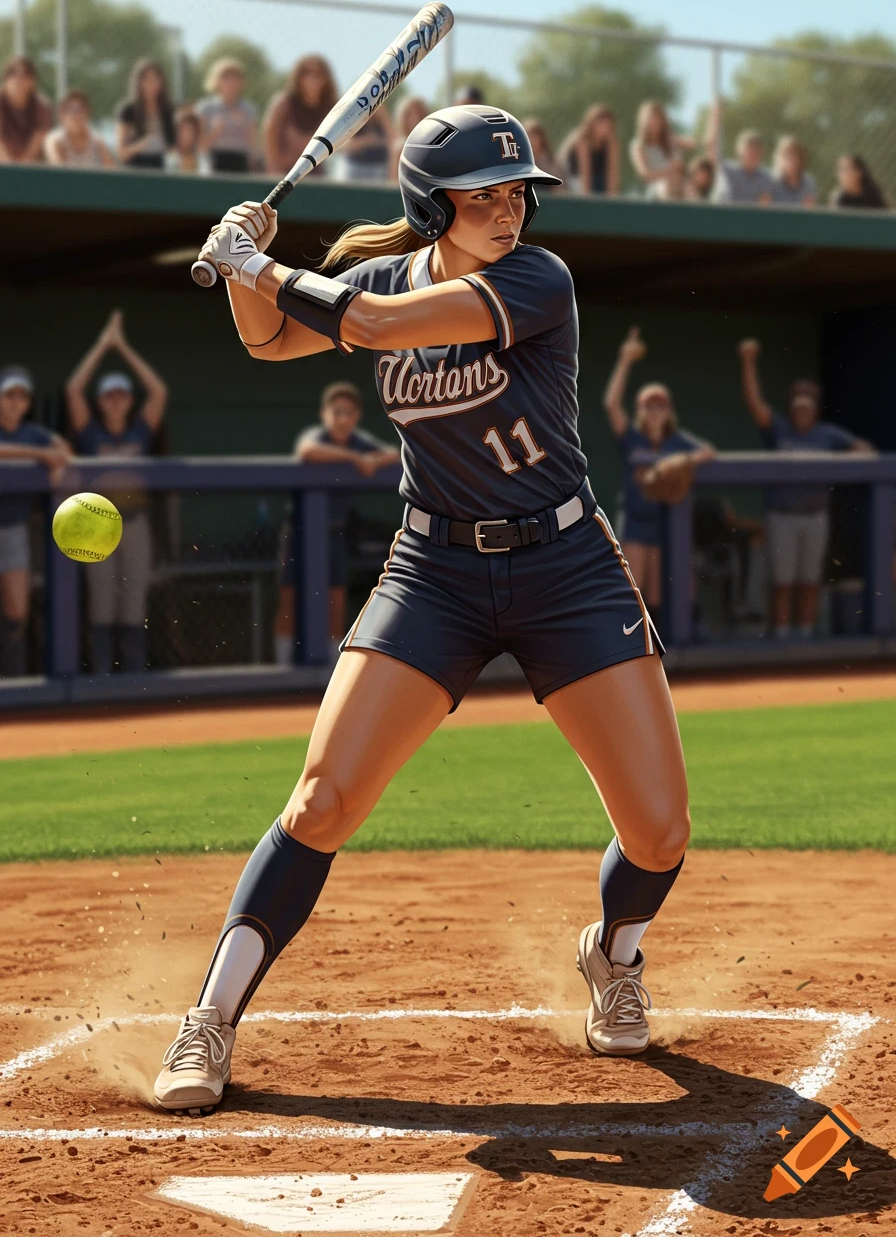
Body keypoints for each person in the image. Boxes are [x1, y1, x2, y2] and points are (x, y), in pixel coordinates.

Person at [153, 105, 692, 1114]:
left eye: (515, 190)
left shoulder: (536, 280)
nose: (505, 208)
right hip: (431, 573)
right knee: (320, 799)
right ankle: (209, 1021)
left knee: (659, 830)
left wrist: (261, 268)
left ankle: (611, 954)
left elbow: (372, 330)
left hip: (566, 566)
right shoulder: (376, 273)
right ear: (427, 202)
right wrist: (240, 270)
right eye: (480, 194)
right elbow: (271, 343)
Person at [737, 338, 873, 639]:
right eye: (797, 405)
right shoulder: (780, 429)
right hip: (781, 515)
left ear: (814, 409)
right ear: (791, 407)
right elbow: (754, 402)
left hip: (815, 516)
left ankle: (805, 640)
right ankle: (782, 640)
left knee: (810, 583)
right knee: (782, 583)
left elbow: (867, 452)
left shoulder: (827, 434)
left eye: (807, 406)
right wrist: (748, 361)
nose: (802, 411)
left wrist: (833, 459)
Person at [65, 310, 168, 674]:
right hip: (96, 525)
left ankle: (134, 678)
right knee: (102, 603)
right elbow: (74, 389)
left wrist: (122, 347)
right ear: (101, 400)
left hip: (135, 522)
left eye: (122, 395)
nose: (116, 401)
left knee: (134, 602)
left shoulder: (140, 430)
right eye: (109, 396)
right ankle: (103, 678)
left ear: (128, 399)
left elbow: (157, 390)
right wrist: (101, 346)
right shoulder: (90, 433)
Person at [274, 381, 400, 665]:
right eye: (337, 411)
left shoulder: (360, 439)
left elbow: (392, 453)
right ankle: (281, 671)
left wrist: (372, 461)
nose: (342, 418)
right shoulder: (317, 436)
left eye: (349, 412)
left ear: (356, 416)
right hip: (299, 534)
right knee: (289, 601)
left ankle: (331, 668)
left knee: (335, 601)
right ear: (325, 413)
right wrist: (355, 459)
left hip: (334, 534)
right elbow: (307, 451)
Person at [604, 327, 714, 626]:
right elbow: (612, 404)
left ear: (669, 410)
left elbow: (707, 453)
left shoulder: (678, 440)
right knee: (633, 590)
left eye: (660, 404)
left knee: (658, 594)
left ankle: (662, 659)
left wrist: (681, 461)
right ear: (640, 410)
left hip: (665, 522)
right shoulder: (633, 438)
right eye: (649, 404)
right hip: (636, 521)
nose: (655, 410)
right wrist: (625, 359)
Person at [0, 366, 70, 677]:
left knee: (17, 611)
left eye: (22, 396)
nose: (15, 402)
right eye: (9, 395)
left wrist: (57, 458)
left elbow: (63, 451)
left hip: (13, 527)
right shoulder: (33, 443)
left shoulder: (35, 433)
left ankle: (12, 680)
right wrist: (41, 456)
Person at [263, 55, 337, 176]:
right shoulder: (284, 104)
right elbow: (270, 135)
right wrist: (275, 167)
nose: (313, 80)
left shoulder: (330, 107)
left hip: (315, 171)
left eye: (318, 74)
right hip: (283, 172)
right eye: (307, 74)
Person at [196, 58, 257, 175]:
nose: (231, 82)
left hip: (240, 163)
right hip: (213, 162)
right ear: (215, 80)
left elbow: (253, 144)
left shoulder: (248, 110)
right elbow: (200, 146)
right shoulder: (206, 108)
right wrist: (216, 131)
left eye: (235, 77)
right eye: (226, 77)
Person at [116, 59, 176, 171]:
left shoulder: (168, 110)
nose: (152, 83)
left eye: (156, 78)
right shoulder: (128, 110)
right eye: (146, 79)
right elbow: (121, 153)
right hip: (135, 169)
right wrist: (143, 143)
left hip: (162, 169)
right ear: (139, 82)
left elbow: (173, 148)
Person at [629, 100, 694, 200]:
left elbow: (692, 144)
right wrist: (670, 171)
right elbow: (645, 175)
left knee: (689, 189)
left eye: (657, 118)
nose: (654, 122)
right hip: (653, 187)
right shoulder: (638, 145)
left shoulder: (670, 141)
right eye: (650, 118)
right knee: (667, 186)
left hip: (676, 182)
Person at [0, 55, 53, 164]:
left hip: (31, 167)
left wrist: (20, 171)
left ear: (33, 81)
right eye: (13, 74)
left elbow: (37, 142)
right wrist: (9, 168)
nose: (19, 80)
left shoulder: (42, 106)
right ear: (5, 79)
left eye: (25, 75)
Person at [44, 89, 115, 169]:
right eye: (71, 110)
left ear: (88, 113)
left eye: (81, 110)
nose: (76, 115)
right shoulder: (55, 140)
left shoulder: (98, 141)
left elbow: (111, 170)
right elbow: (59, 172)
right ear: (62, 115)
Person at [562, 105, 618, 195]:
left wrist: (612, 198)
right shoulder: (582, 139)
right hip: (571, 179)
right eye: (601, 124)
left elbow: (612, 172)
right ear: (591, 124)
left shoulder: (611, 141)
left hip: (596, 178)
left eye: (608, 126)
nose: (605, 129)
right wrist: (587, 202)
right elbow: (585, 172)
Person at [712, 130, 774, 205]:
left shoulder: (766, 178)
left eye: (756, 150)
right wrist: (716, 119)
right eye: (748, 149)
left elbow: (764, 208)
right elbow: (712, 146)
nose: (752, 154)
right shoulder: (726, 169)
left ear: (761, 153)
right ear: (738, 150)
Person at [338, 105, 393, 183]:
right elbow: (343, 146)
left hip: (378, 168)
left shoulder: (381, 118)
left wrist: (382, 116)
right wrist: (365, 141)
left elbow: (392, 139)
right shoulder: (352, 115)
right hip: (355, 167)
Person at [389, 96, 429, 180]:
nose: (415, 120)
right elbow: (394, 182)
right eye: (408, 115)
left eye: (419, 113)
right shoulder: (399, 149)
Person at [771, 136, 815, 207]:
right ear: (778, 158)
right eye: (786, 155)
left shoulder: (808, 183)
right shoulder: (771, 182)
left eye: (794, 155)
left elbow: (809, 211)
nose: (791, 159)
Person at [523, 119, 563, 190]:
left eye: (535, 136)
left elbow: (559, 191)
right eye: (528, 136)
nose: (531, 140)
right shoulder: (518, 164)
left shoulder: (552, 164)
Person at [167, 106, 202, 174]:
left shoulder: (202, 156)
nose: (186, 134)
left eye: (190, 130)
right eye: (182, 130)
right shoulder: (168, 155)